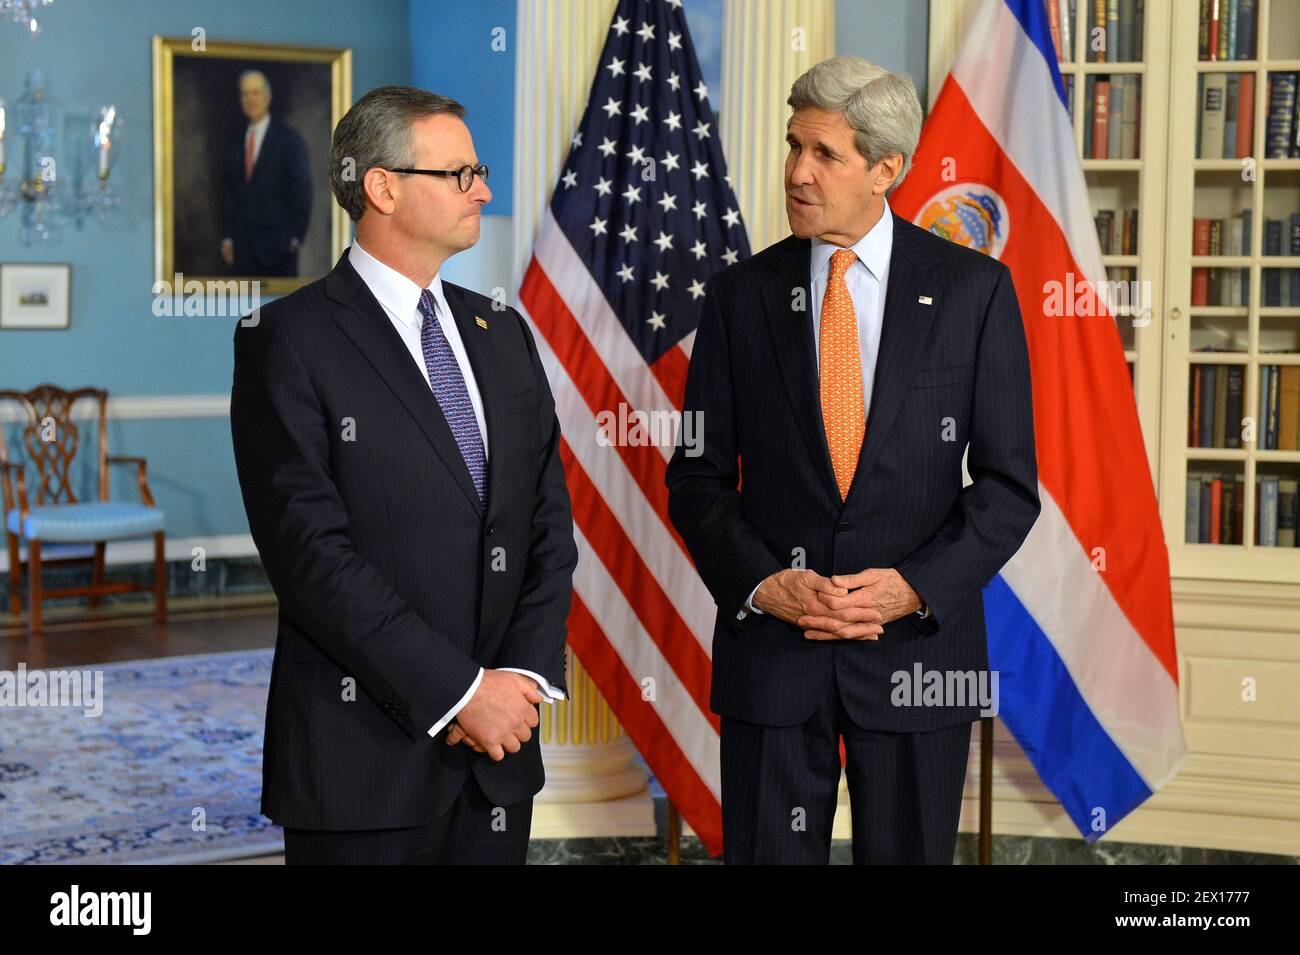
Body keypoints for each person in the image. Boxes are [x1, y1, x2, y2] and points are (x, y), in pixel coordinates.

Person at [665, 56, 1041, 864]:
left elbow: (1009, 489)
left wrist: (914, 589)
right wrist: (767, 583)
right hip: (773, 659)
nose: (797, 172)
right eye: (794, 146)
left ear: (886, 169)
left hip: (917, 664)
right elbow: (695, 476)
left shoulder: (977, 293)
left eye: (824, 154)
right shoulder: (738, 296)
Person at [230, 86, 577, 864]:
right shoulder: (286, 339)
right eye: (460, 174)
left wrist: (514, 680)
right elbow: (313, 559)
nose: (483, 190)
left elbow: (547, 524)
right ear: (381, 186)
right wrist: (462, 693)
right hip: (362, 764)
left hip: (497, 763)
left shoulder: (502, 333)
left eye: (479, 171)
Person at [219, 69, 312, 277]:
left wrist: (295, 238)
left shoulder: (288, 139)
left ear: (267, 97)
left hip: (278, 248)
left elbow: (302, 190)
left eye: (255, 93)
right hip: (242, 250)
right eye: (245, 94)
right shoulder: (234, 140)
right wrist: (227, 237)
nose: (250, 99)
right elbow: (228, 192)